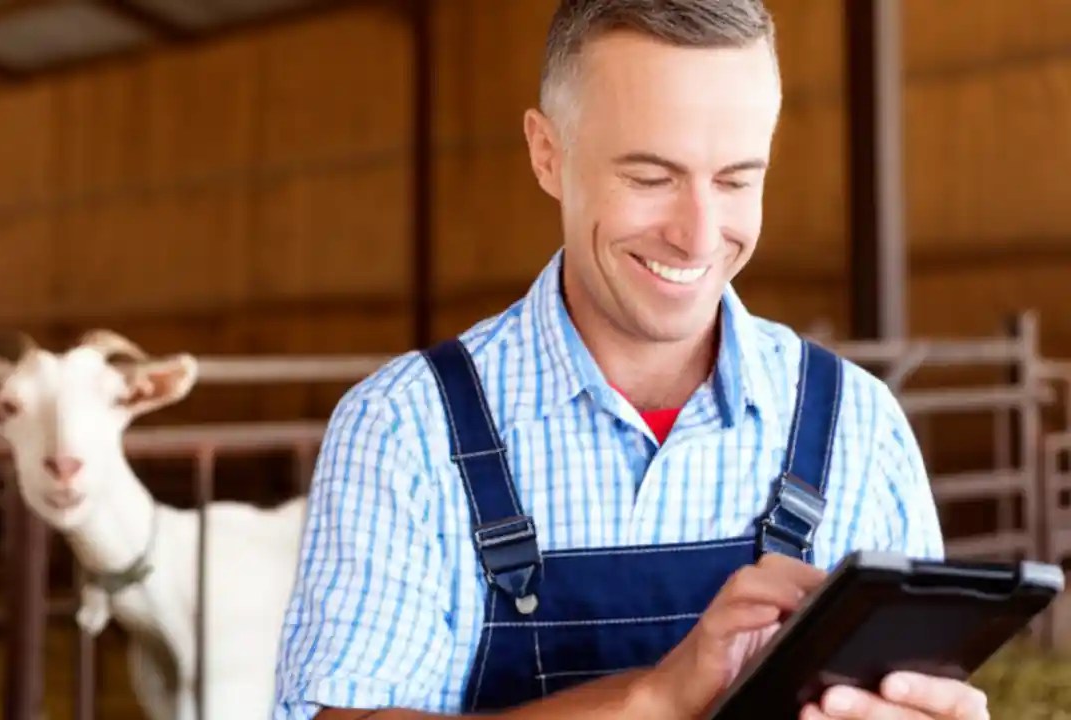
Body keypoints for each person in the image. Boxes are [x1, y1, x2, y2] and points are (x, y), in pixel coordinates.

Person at [273, 1, 990, 718]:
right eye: (651, 178)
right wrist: (656, 698)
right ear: (546, 153)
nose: (698, 235)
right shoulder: (404, 429)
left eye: (737, 180)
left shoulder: (858, 430)